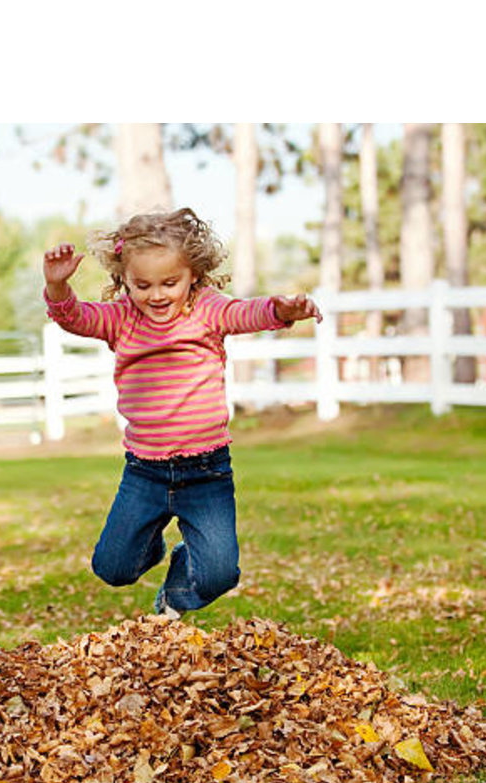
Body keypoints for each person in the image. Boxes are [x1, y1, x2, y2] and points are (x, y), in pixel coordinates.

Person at [42, 207, 321, 618]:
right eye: (142, 285)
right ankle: (148, 541)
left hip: (206, 472)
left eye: (170, 283)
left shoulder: (206, 309)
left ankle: (176, 590)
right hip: (145, 472)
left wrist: (281, 311)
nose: (156, 295)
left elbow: (243, 314)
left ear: (194, 274)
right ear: (124, 280)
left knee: (218, 576)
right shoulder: (121, 318)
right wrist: (57, 287)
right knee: (113, 568)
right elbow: (75, 318)